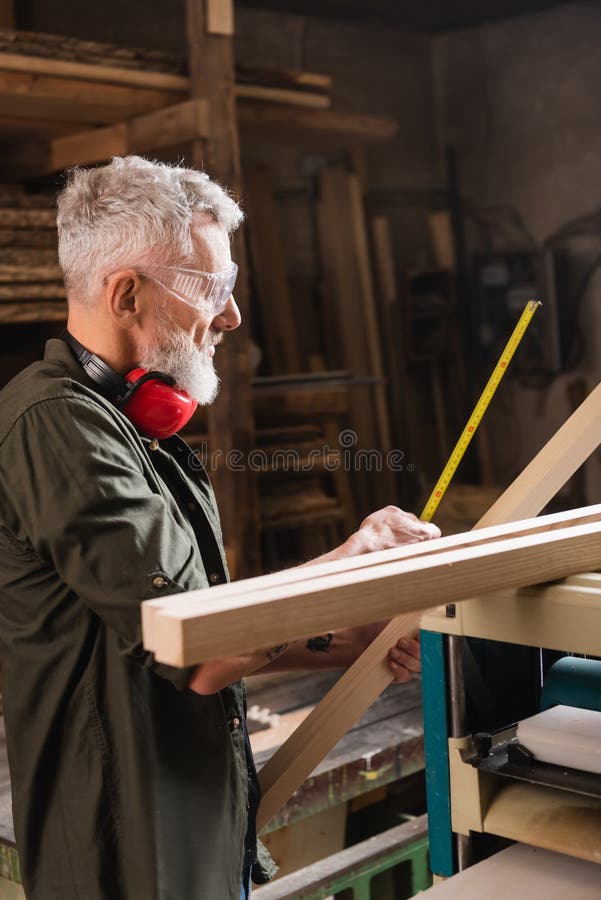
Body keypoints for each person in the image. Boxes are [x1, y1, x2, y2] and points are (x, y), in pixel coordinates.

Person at [0, 156, 440, 900]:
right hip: (127, 861)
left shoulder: (137, 426)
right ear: (127, 293)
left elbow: (169, 650)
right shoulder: (60, 427)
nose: (232, 316)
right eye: (214, 288)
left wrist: (343, 644)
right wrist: (353, 559)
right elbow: (203, 646)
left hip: (195, 835)